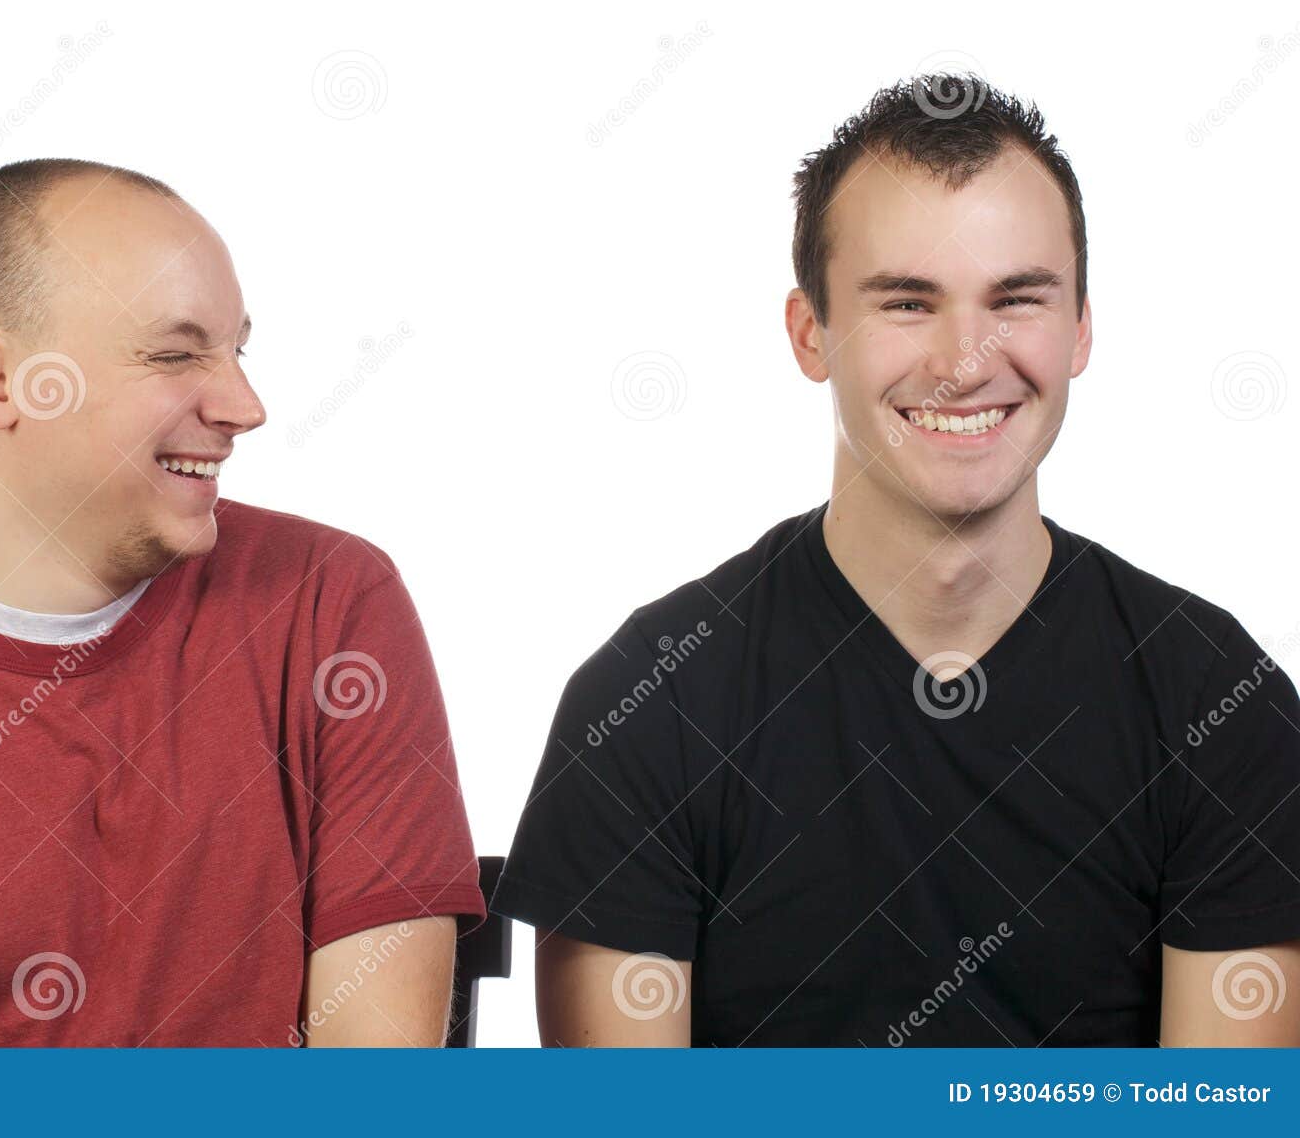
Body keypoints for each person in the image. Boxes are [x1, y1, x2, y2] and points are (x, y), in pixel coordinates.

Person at [491, 76, 1300, 1047]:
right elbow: (625, 1114)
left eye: (1016, 299)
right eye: (908, 302)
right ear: (810, 334)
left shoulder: (1217, 699)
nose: (965, 361)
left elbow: (1219, 1110)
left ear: (1081, 326)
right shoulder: (649, 702)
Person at [0, 159, 484, 1047]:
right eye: (175, 354)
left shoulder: (328, 604)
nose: (246, 405)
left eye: (238, 350)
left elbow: (377, 1091)